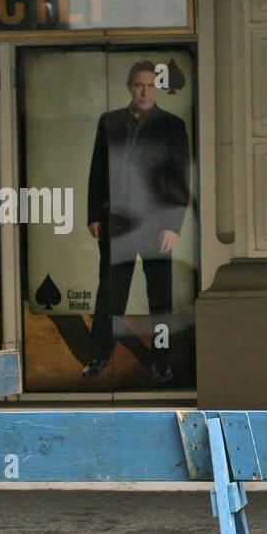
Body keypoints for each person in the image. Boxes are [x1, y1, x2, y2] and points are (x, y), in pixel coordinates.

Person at [83, 60, 190, 385]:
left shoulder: (172, 125)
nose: (144, 91)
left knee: (159, 299)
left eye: (150, 85)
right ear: (130, 87)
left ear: (157, 87)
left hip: (157, 226)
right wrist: (93, 214)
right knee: (110, 297)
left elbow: (180, 177)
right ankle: (100, 355)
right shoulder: (109, 122)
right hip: (117, 223)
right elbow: (97, 169)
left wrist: (173, 225)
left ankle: (161, 362)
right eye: (138, 85)